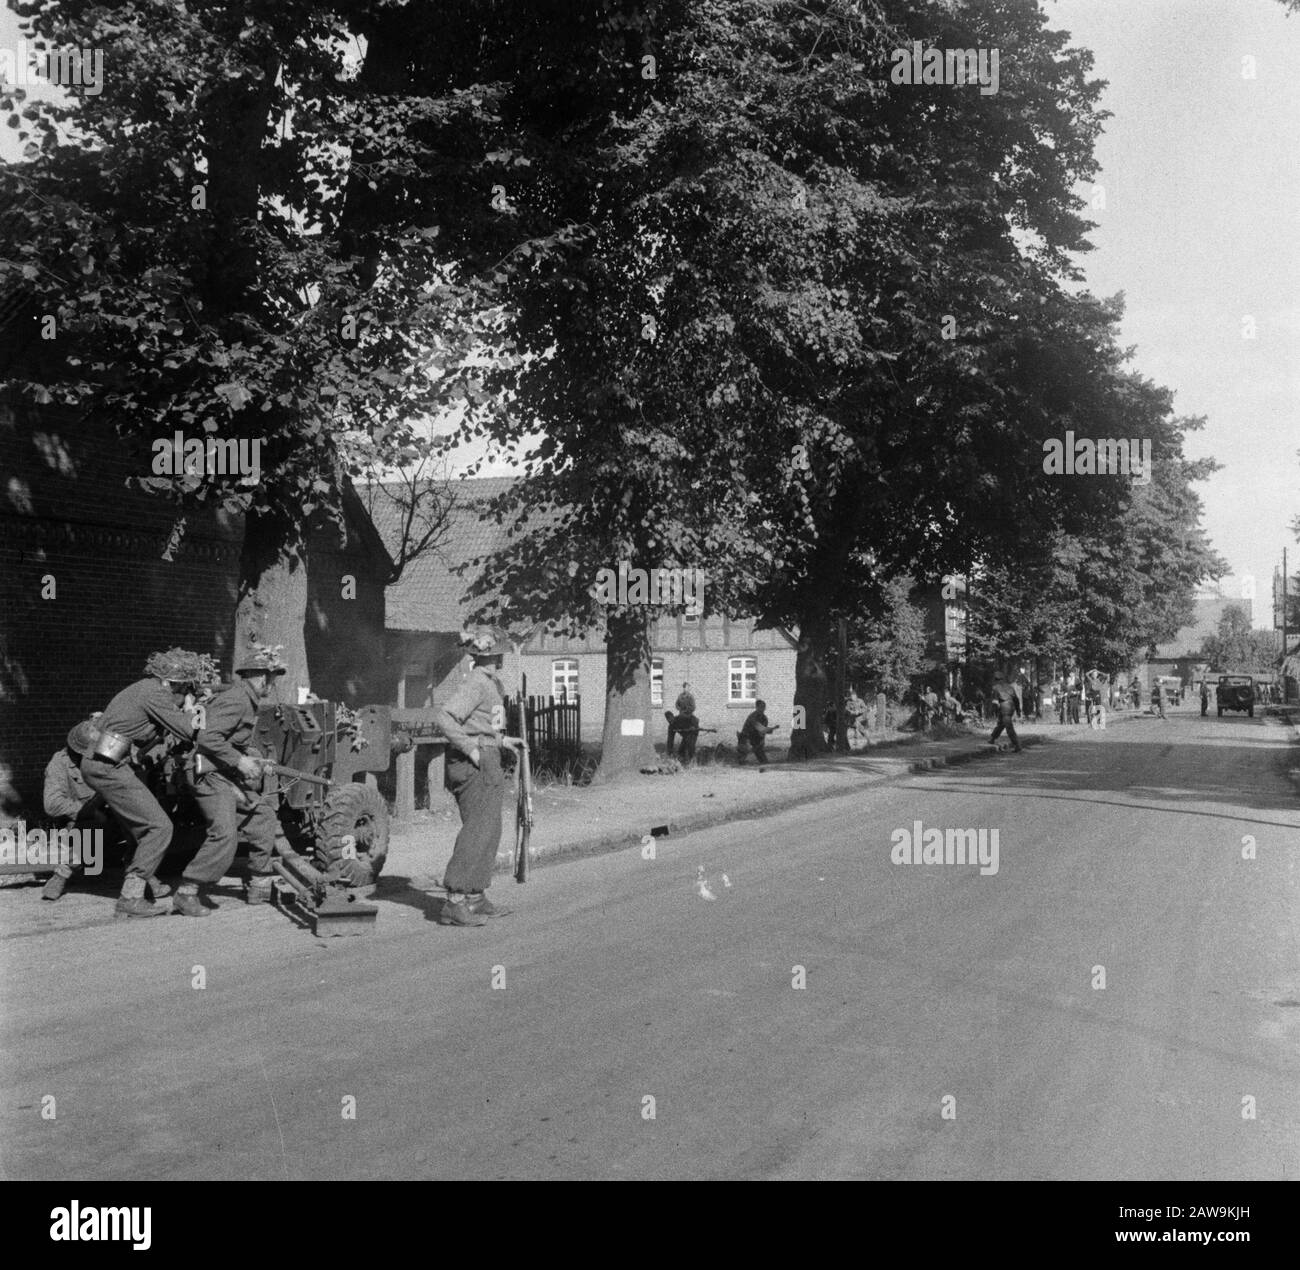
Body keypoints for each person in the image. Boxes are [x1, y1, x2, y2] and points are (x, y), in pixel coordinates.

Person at [79, 648, 212, 918]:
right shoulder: (154, 694)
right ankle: (130, 898)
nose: (184, 690)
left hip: (104, 763)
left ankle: (145, 883)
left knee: (140, 829)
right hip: (108, 767)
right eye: (184, 686)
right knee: (159, 827)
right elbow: (191, 731)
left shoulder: (144, 689)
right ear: (171, 683)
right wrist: (196, 708)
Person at [177, 647, 287, 915]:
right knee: (225, 834)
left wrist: (250, 757)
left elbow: (226, 740)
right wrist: (239, 762)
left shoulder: (245, 700)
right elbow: (207, 739)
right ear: (262, 678)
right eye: (273, 680)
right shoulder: (237, 700)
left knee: (262, 814)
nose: (273, 686)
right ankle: (187, 891)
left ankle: (259, 885)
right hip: (207, 775)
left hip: (222, 773)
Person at [430, 627, 525, 927]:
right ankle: (455, 900)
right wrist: (471, 749)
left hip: (488, 757)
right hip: (474, 763)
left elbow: (482, 726)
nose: (503, 658)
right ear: (493, 655)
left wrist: (503, 741)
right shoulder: (476, 683)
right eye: (500, 653)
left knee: (489, 828)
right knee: (476, 830)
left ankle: (475, 896)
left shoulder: (490, 683)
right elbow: (446, 717)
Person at [40, 716, 150, 901]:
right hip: (78, 822)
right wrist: (90, 811)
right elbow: (52, 804)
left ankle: (143, 877)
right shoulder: (59, 763)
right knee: (94, 830)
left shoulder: (104, 758)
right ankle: (63, 872)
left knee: (138, 824)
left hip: (112, 812)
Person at [738, 700, 779, 765]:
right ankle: (740, 759)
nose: (762, 709)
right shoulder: (753, 717)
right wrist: (772, 728)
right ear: (756, 707)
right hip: (746, 737)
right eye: (760, 707)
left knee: (764, 762)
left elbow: (762, 732)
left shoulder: (764, 718)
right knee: (742, 756)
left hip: (756, 738)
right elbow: (761, 729)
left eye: (763, 707)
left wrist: (762, 742)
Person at [988, 676, 1022, 752]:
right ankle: (992, 738)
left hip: (1004, 708)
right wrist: (1018, 710)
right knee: (1001, 724)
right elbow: (1016, 700)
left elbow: (995, 702)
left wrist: (993, 711)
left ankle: (1017, 745)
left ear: (995, 680)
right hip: (1011, 707)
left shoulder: (995, 687)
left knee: (1008, 727)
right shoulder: (1010, 687)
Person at [666, 683, 695, 756]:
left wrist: (687, 710)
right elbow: (676, 704)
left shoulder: (690, 697)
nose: (687, 689)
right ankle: (671, 751)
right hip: (681, 715)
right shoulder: (680, 696)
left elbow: (693, 707)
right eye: (686, 688)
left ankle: (686, 752)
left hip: (689, 716)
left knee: (688, 730)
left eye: (689, 688)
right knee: (675, 724)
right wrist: (680, 709)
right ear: (684, 688)